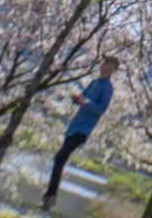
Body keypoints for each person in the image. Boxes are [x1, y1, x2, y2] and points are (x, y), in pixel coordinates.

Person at [41, 55, 120, 211]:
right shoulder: (94, 83)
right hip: (73, 127)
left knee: (60, 156)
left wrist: (86, 102)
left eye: (108, 65)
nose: (104, 65)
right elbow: (82, 98)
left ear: (112, 70)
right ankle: (49, 199)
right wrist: (77, 99)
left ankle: (50, 197)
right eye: (104, 62)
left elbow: (101, 109)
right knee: (59, 160)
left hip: (83, 130)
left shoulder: (107, 88)